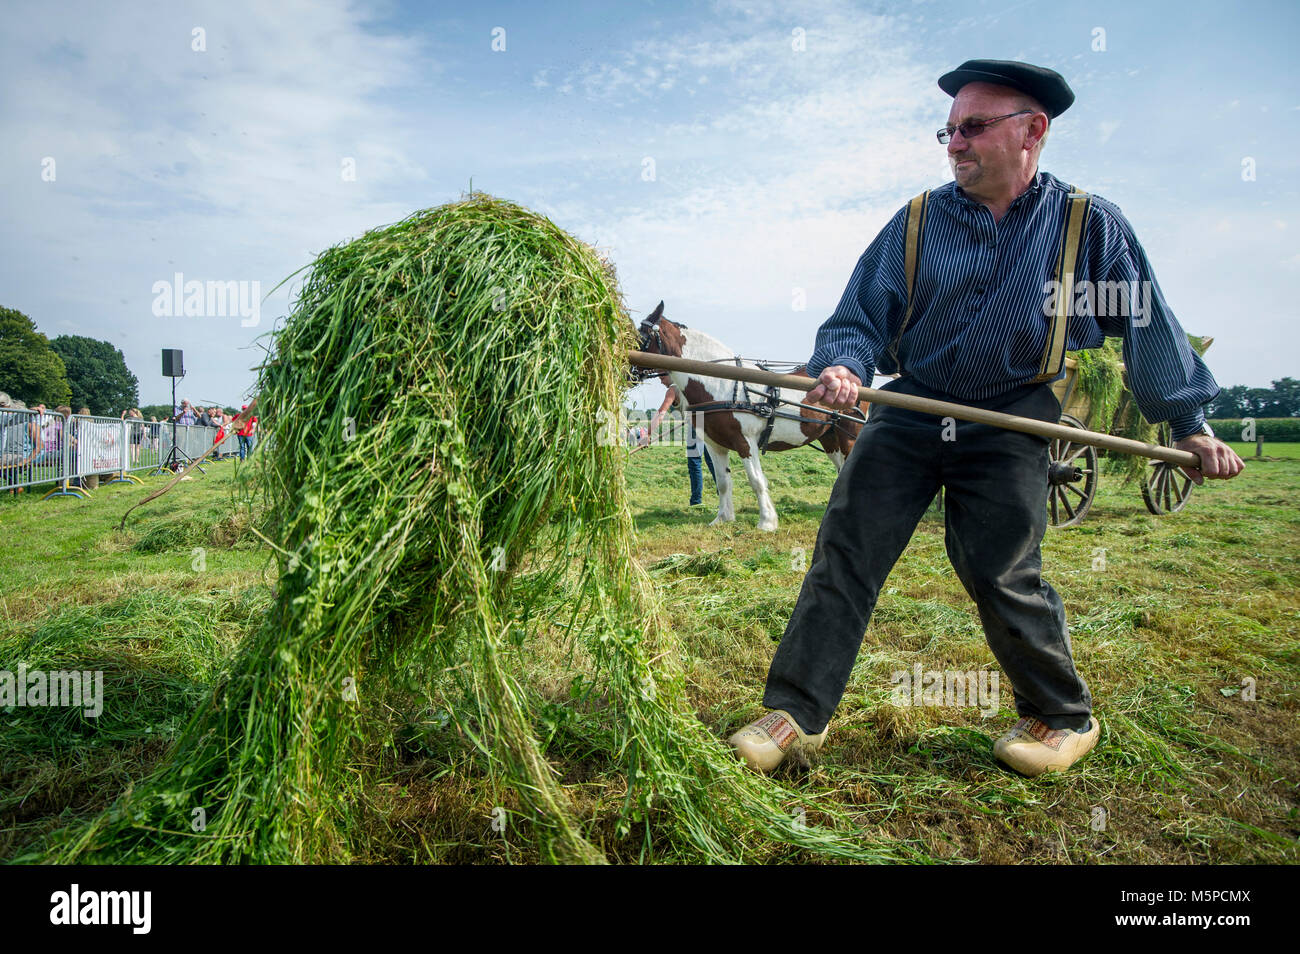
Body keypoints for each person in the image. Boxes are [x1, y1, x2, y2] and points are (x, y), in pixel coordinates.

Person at [728, 59, 1244, 778]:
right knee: (847, 551)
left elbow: (1146, 322)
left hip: (1014, 411)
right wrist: (843, 364)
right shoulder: (917, 221)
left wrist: (1188, 422)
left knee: (999, 568)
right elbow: (856, 318)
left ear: (1032, 131)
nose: (955, 144)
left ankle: (1063, 717)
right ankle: (796, 713)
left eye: (973, 128)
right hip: (914, 404)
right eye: (949, 131)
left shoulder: (1087, 226)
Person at [644, 370, 717, 506]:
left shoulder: (673, 389)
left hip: (697, 423)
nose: (661, 381)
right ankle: (723, 496)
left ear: (671, 374)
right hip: (708, 421)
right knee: (712, 460)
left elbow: (661, 413)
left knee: (695, 463)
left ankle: (696, 501)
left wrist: (648, 434)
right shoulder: (687, 384)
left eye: (662, 376)